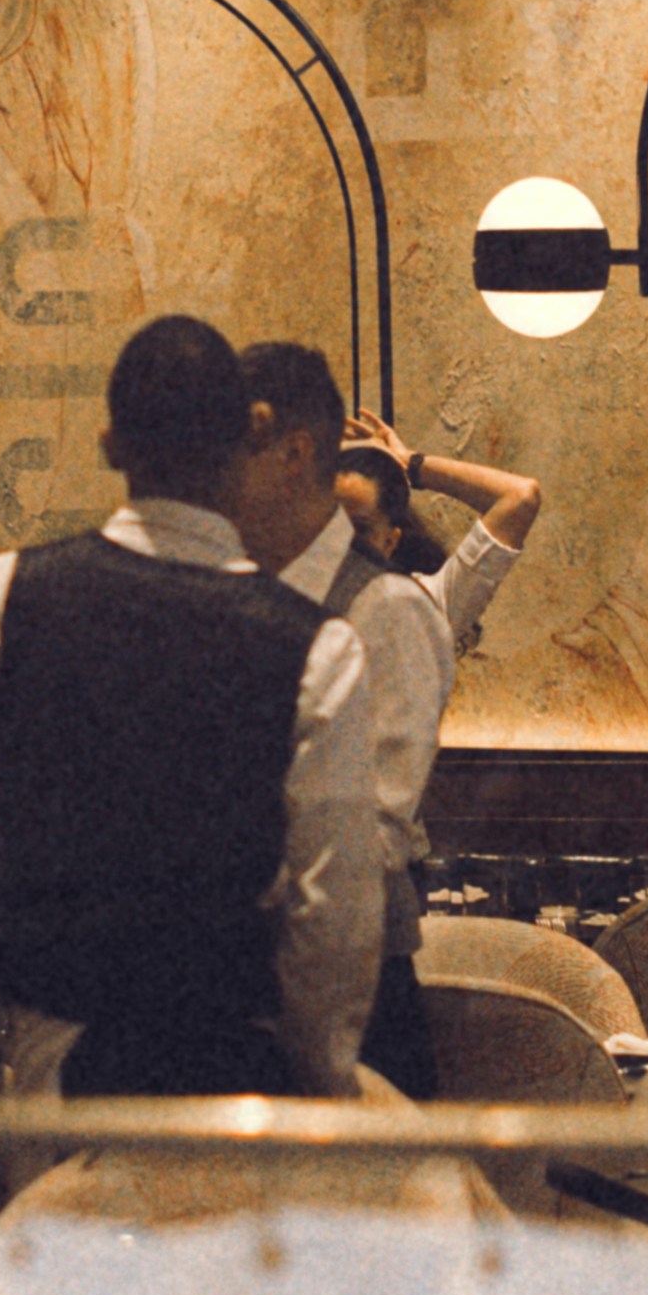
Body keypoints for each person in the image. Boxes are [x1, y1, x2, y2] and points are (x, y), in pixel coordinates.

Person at [0, 312, 380, 1100]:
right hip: (236, 1076)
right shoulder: (316, 645)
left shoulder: (1, 597)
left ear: (109, 442)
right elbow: (333, 916)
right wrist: (321, 1079)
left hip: (51, 1069)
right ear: (248, 435)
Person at [244, 345, 543, 1092]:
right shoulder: (260, 599)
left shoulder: (404, 605)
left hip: (357, 937)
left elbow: (369, 833)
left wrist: (412, 464)